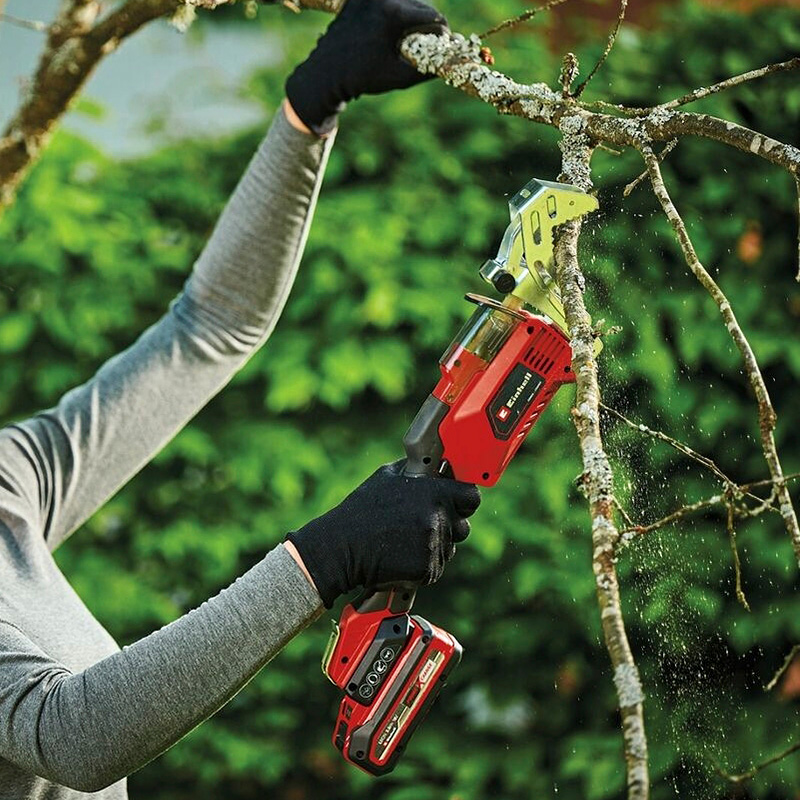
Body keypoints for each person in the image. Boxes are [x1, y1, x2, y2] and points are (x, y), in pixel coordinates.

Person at [0, 1, 480, 796]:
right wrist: (325, 557)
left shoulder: (11, 481)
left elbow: (211, 327)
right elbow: (71, 735)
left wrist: (309, 107)